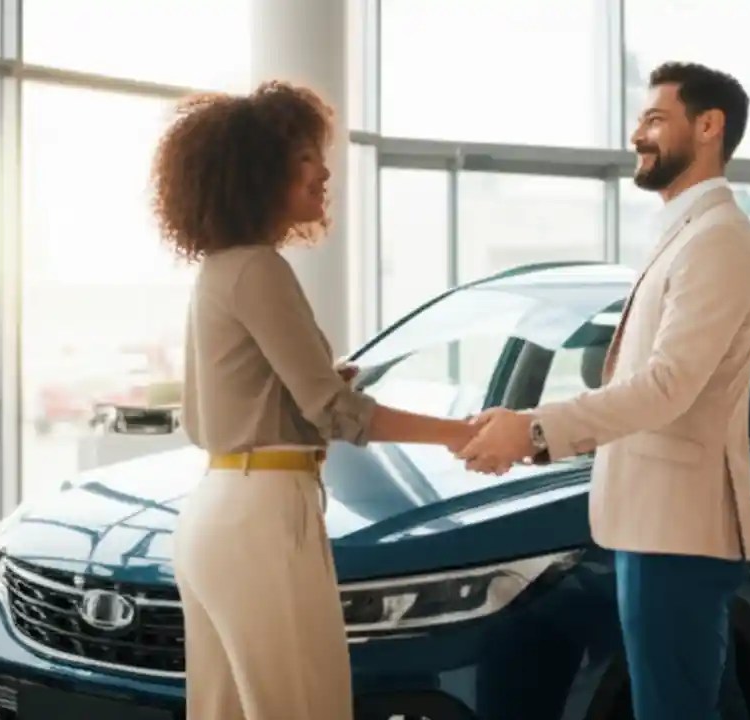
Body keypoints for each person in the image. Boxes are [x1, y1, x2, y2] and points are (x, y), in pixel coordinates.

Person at [150, 80, 476, 720]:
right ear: (261, 169)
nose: (324, 171)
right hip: (266, 517)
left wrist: (316, 388)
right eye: (306, 157)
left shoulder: (220, 270)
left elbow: (208, 414)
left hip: (214, 514)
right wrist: (457, 434)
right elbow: (336, 414)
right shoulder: (260, 270)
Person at [456, 62, 750, 720]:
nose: (637, 135)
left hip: (677, 532)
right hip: (651, 524)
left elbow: (663, 386)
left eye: (656, 119)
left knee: (673, 709)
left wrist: (534, 428)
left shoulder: (718, 241)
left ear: (708, 127)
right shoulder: (687, 233)